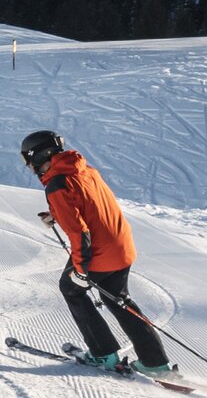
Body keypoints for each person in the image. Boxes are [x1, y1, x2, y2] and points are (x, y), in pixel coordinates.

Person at [22, 129, 172, 373]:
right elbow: (90, 207)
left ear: (40, 156)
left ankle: (103, 354)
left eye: (28, 161)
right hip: (122, 247)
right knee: (119, 300)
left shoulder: (57, 185)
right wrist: (57, 215)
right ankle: (155, 362)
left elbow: (80, 233)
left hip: (98, 253)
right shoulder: (85, 170)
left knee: (71, 289)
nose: (29, 168)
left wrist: (81, 270)